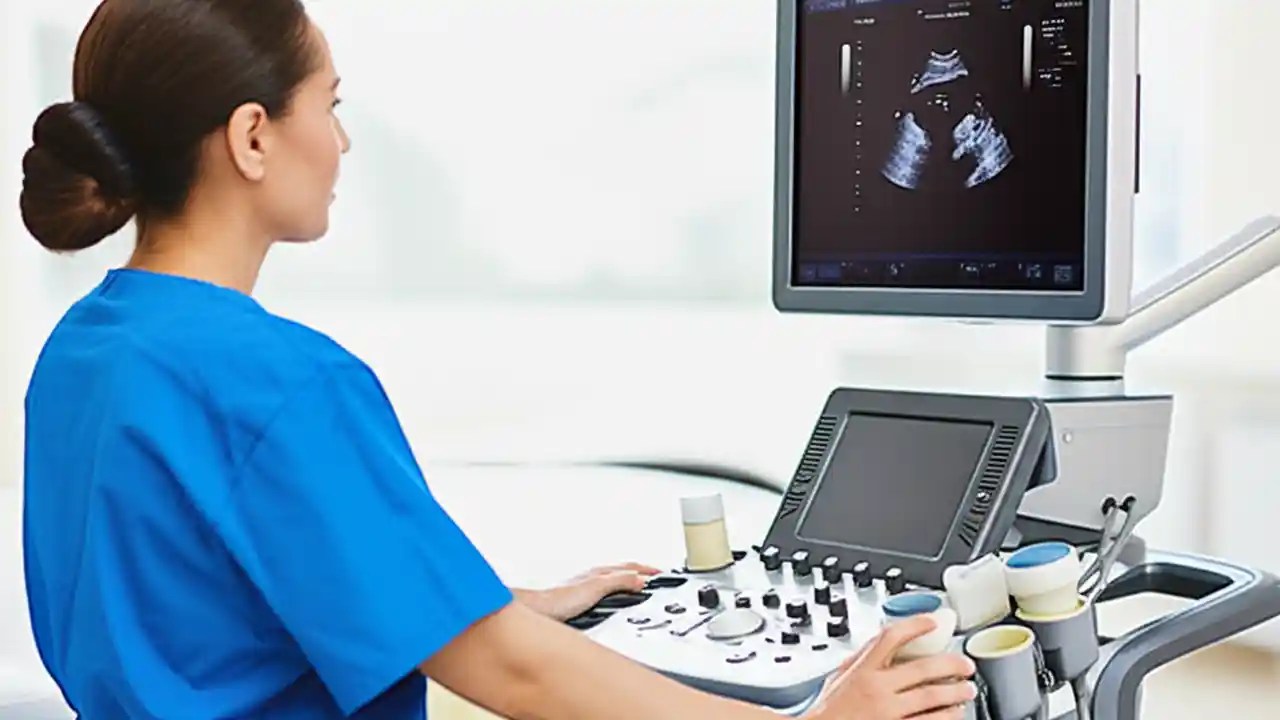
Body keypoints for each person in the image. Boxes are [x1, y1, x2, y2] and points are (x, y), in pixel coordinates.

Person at [18, 1, 978, 718]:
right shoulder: (278, 381)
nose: (343, 141)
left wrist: (495, 603)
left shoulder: (87, 351)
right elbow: (513, 673)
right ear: (254, 136)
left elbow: (217, 609)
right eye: (329, 104)